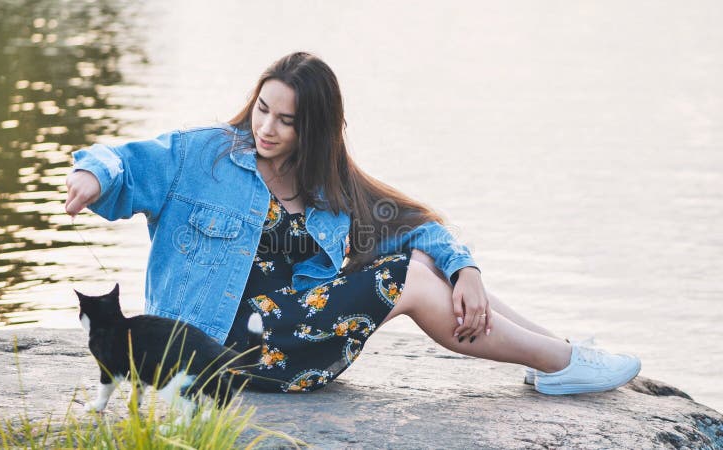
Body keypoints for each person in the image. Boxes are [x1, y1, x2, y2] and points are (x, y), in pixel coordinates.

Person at [65, 52, 640, 395]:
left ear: (313, 129)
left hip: (290, 337)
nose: (266, 128)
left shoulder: (329, 188)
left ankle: (559, 352)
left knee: (419, 261)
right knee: (409, 280)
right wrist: (93, 178)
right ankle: (560, 365)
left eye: (286, 120)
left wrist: (467, 269)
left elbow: (418, 230)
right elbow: (126, 162)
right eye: (263, 108)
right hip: (213, 351)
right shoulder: (204, 156)